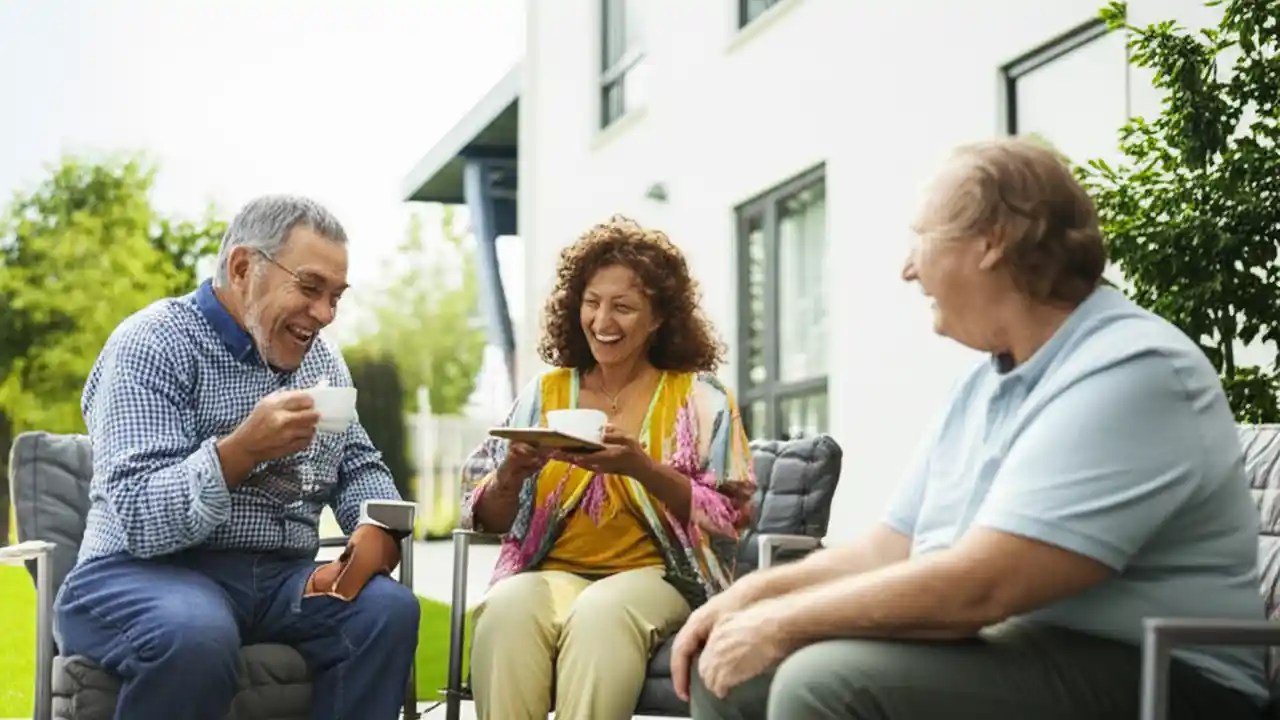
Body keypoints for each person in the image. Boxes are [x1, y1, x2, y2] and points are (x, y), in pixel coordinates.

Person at [676, 138, 1269, 720]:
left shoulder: (1131, 368)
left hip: (1165, 678)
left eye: (922, 238)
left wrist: (781, 622)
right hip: (1019, 650)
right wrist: (746, 599)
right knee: (729, 673)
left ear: (992, 242)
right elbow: (890, 549)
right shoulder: (984, 384)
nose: (908, 268)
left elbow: (984, 586)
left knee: (824, 684)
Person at [53, 195, 420, 720]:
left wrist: (377, 529)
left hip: (276, 581)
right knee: (195, 631)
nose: (324, 315)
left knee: (387, 611)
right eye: (310, 288)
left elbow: (358, 464)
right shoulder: (152, 344)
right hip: (140, 572)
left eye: (336, 296)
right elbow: (140, 518)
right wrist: (238, 453)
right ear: (244, 267)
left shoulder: (322, 361)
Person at [459, 216, 756, 720]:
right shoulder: (544, 394)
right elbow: (482, 517)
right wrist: (512, 473)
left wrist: (641, 467)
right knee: (506, 610)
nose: (602, 321)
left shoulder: (699, 398)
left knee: (601, 615)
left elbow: (733, 517)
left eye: (623, 307)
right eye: (592, 303)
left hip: (659, 577)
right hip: (551, 571)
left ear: (658, 317)